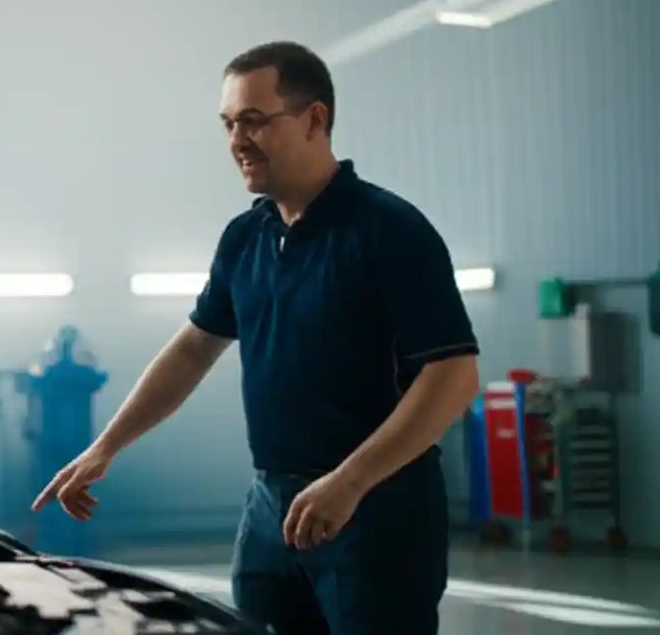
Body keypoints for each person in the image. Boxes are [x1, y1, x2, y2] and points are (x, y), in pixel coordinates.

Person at [31, 41, 480, 633]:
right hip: (271, 507)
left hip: (376, 507)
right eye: (228, 124)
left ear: (315, 119)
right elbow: (194, 348)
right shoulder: (246, 238)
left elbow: (454, 375)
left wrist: (350, 481)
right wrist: (106, 446)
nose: (237, 140)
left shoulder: (388, 230)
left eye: (254, 121)